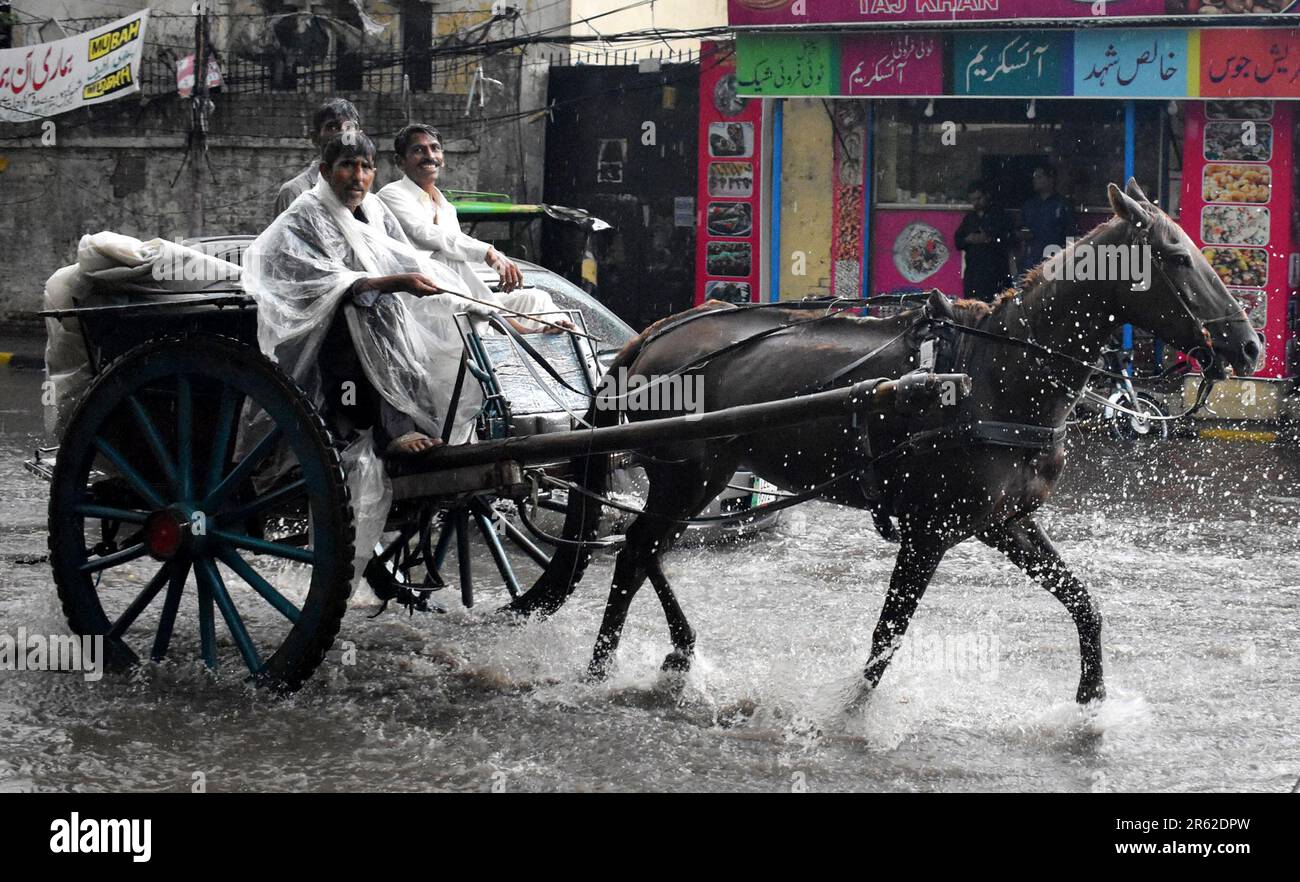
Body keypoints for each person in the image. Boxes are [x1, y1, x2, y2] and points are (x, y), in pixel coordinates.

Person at [246, 130, 489, 458]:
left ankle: (425, 422)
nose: (358, 177)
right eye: (347, 165)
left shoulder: (374, 210)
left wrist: (467, 300)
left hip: (378, 315)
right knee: (362, 317)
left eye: (366, 167)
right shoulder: (305, 214)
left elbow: (408, 260)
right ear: (324, 171)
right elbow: (317, 282)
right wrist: (389, 284)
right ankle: (388, 430)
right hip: (324, 333)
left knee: (422, 333)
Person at [377, 123, 566, 330]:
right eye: (418, 150)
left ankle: (567, 341)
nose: (429, 155)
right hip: (419, 302)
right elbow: (425, 234)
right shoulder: (391, 194)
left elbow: (456, 252)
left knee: (535, 298)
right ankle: (518, 331)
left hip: (457, 298)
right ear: (400, 161)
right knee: (446, 261)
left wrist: (492, 260)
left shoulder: (446, 207)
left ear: (443, 157)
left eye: (435, 148)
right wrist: (488, 252)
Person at [272, 97, 362, 218]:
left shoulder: (361, 190)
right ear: (315, 137)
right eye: (333, 127)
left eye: (349, 127)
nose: (342, 134)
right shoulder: (294, 192)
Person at [954, 181, 1014, 302]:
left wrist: (989, 239)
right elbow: (958, 242)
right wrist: (969, 239)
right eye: (973, 200)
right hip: (974, 273)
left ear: (987, 196)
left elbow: (1010, 237)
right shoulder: (970, 218)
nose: (976, 203)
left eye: (979, 198)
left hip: (996, 272)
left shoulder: (999, 215)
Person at [1018, 162, 1074, 271]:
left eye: (1039, 177)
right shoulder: (1029, 204)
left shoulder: (1063, 204)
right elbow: (1022, 228)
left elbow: (1070, 233)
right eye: (1034, 177)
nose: (1034, 180)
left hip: (1055, 259)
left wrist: (1069, 261)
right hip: (1031, 260)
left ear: (1050, 179)